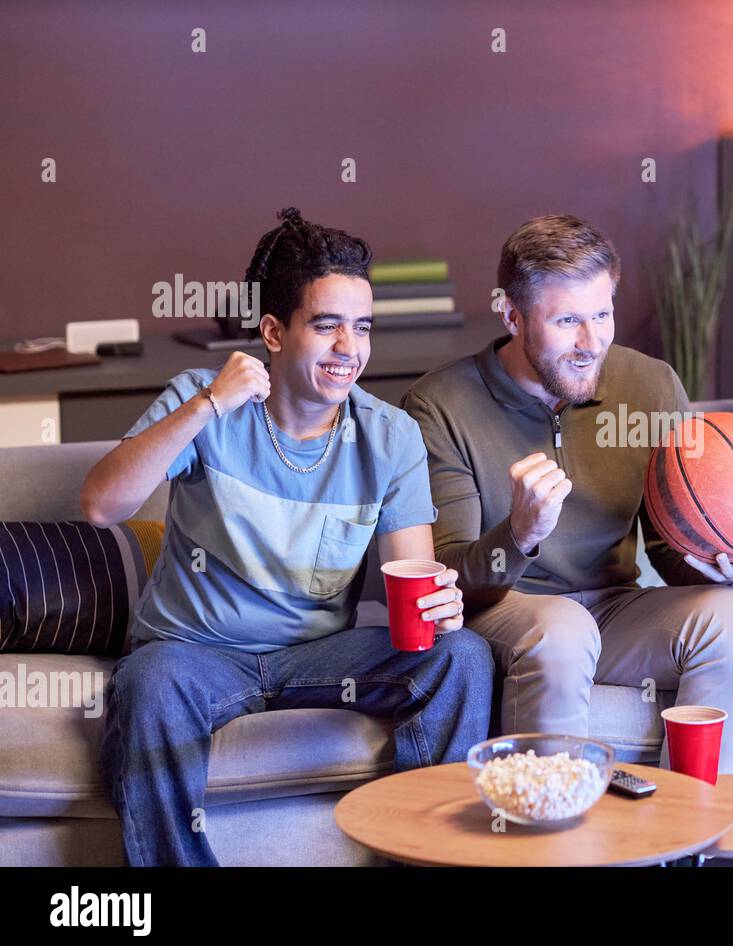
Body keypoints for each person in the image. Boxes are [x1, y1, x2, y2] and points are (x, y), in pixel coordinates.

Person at [83, 208, 492, 866]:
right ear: (273, 332)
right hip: (196, 656)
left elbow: (409, 585)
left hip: (318, 658)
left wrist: (438, 605)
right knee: (149, 681)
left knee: (464, 658)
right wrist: (207, 406)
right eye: (327, 326)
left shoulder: (389, 437)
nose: (349, 349)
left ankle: (431, 859)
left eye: (362, 328)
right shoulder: (204, 401)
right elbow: (102, 504)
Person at [401, 214, 733, 774]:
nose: (591, 342)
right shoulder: (440, 405)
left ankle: (687, 838)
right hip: (507, 611)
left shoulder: (649, 384)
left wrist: (715, 562)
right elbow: (450, 582)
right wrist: (519, 535)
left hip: (616, 607)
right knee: (563, 629)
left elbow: (668, 554)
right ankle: (556, 842)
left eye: (603, 314)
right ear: (511, 314)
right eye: (567, 320)